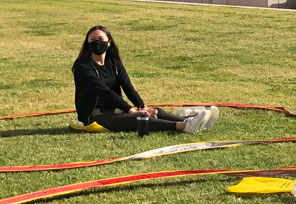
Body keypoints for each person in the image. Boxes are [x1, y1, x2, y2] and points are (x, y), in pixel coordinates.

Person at [71, 26, 216, 134]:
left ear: (109, 42)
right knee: (140, 118)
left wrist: (141, 106)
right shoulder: (82, 66)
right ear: (87, 43)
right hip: (96, 115)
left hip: (115, 109)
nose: (97, 43)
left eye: (101, 39)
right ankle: (183, 126)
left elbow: (127, 86)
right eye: (93, 40)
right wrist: (131, 110)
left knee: (155, 111)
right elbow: (103, 91)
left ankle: (193, 122)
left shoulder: (114, 63)